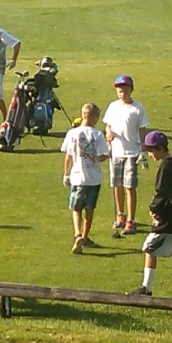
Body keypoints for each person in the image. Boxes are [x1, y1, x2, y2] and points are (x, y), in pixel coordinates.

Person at [129, 130, 172, 296]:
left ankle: (146, 288)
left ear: (160, 148)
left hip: (167, 218)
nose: (150, 154)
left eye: (151, 150)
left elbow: (162, 193)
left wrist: (154, 209)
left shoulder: (166, 167)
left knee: (149, 248)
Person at [103, 74, 148, 237]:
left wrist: (143, 150)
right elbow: (107, 125)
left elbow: (142, 130)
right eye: (119, 90)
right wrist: (108, 132)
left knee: (130, 187)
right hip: (115, 152)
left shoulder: (138, 108)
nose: (122, 93)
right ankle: (120, 214)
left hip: (132, 153)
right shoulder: (113, 106)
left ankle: (131, 219)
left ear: (131, 90)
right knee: (117, 185)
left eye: (125, 90)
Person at [61, 103, 110, 254]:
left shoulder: (72, 133)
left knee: (76, 209)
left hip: (77, 177)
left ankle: (77, 234)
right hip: (94, 179)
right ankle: (85, 236)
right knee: (89, 209)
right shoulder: (98, 135)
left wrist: (66, 174)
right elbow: (103, 155)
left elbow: (68, 156)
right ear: (95, 117)